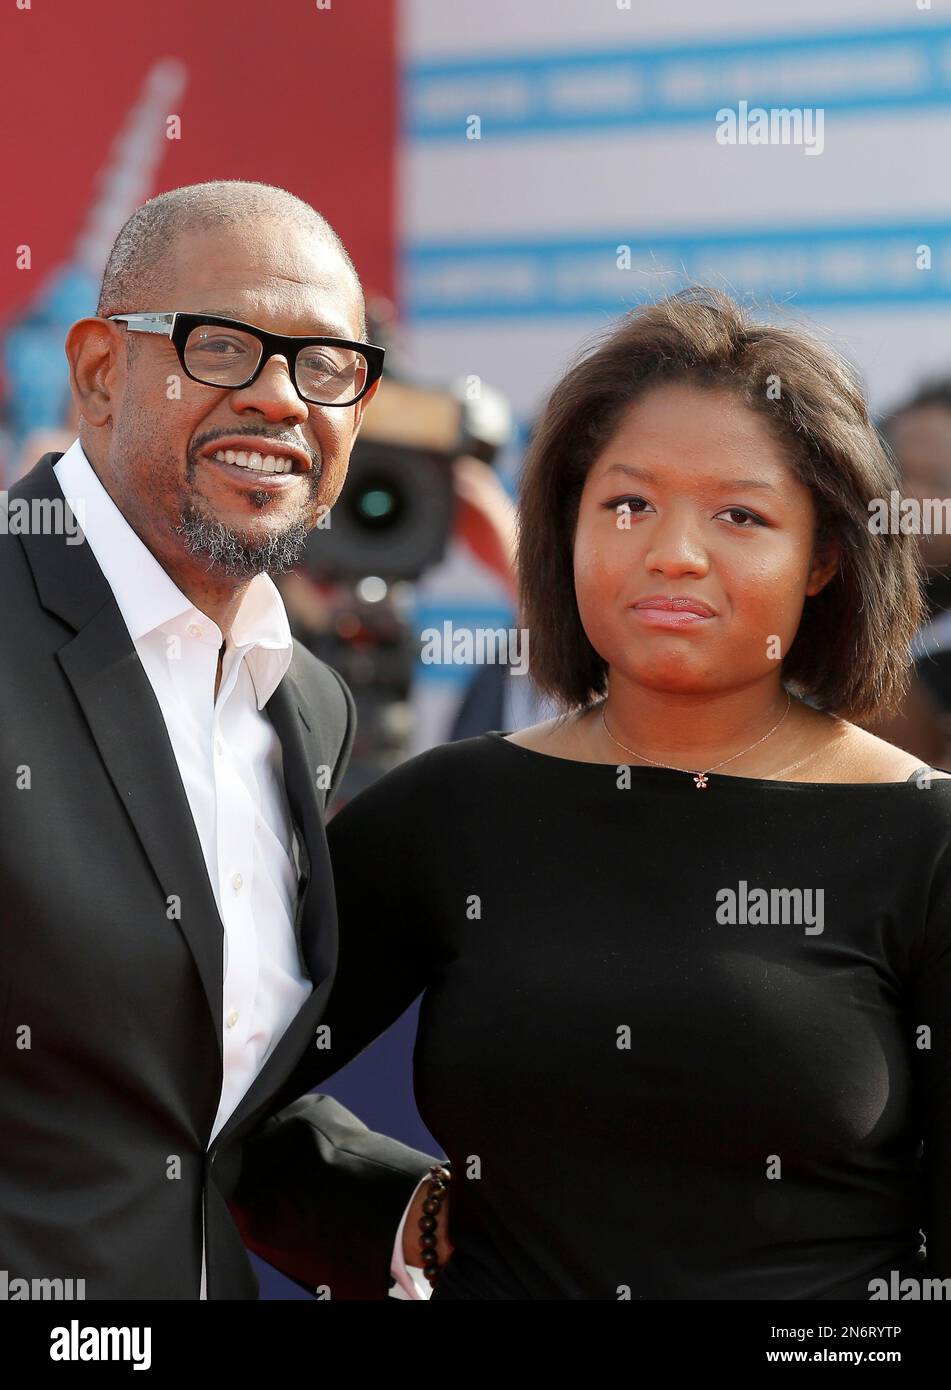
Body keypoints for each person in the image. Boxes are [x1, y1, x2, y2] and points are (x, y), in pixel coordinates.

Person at [315, 287, 951, 1299]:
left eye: (741, 514)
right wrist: (382, 1207)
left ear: (824, 556)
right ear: (565, 528)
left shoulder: (925, 840)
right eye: (627, 503)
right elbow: (189, 1081)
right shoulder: (452, 811)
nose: (674, 552)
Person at [0, 179, 450, 1300]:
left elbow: (184, 1089)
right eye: (223, 347)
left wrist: (409, 1213)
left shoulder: (304, 701)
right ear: (100, 372)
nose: (281, 398)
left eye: (327, 365)